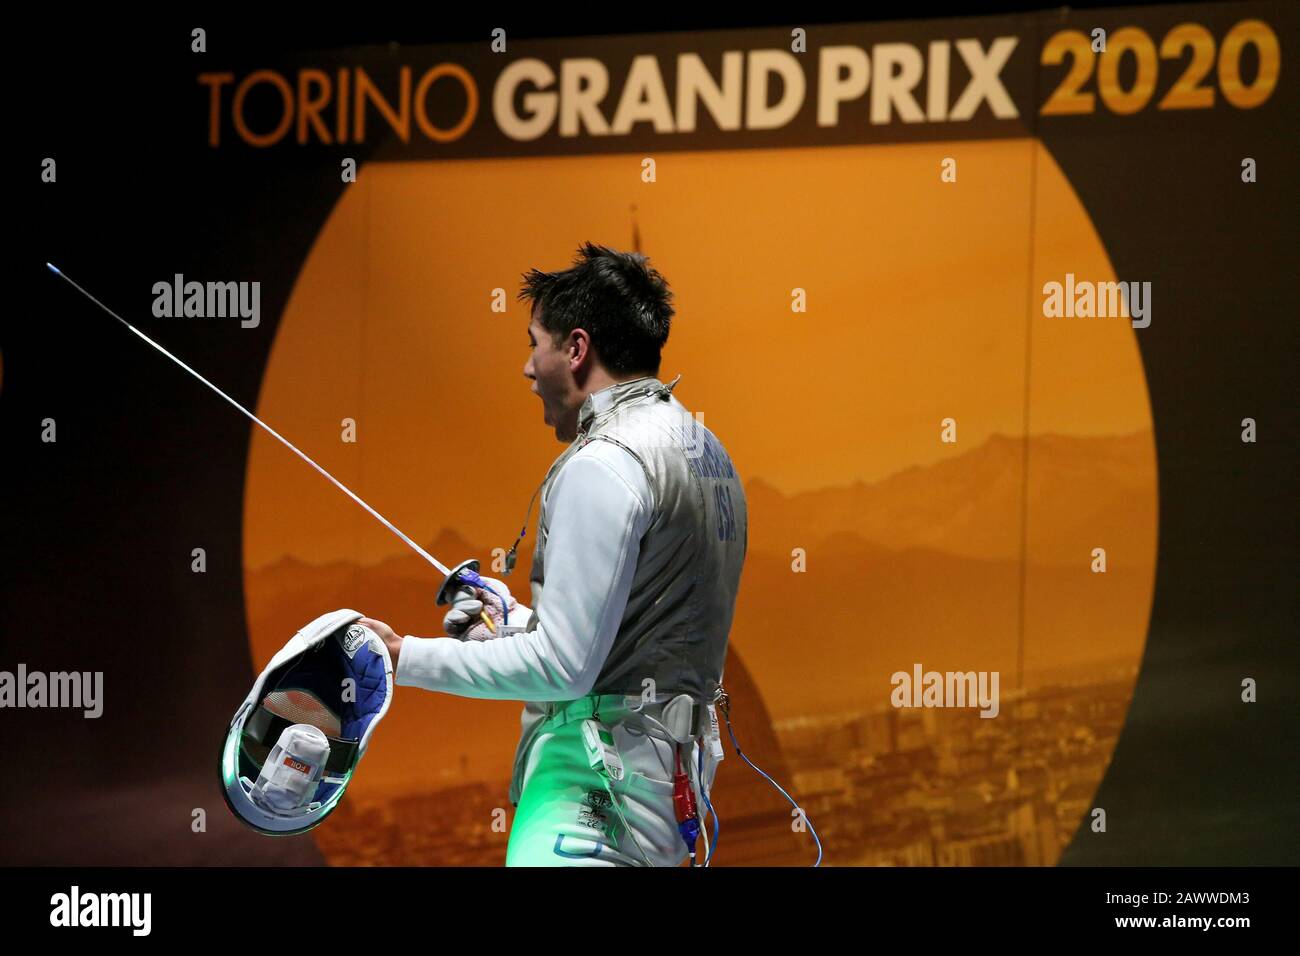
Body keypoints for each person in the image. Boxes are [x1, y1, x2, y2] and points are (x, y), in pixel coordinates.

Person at [361, 242, 747, 866]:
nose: (526, 368)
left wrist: (400, 658)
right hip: (661, 812)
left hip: (586, 810)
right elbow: (627, 638)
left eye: (533, 342)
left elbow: (566, 669)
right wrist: (511, 625)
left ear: (575, 348)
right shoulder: (707, 453)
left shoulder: (605, 462)